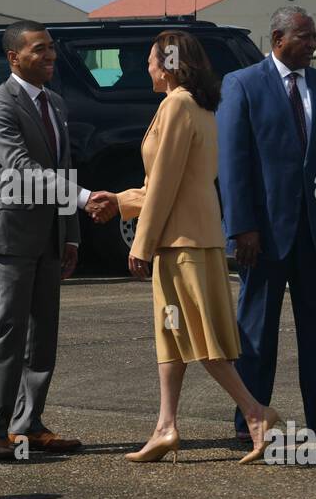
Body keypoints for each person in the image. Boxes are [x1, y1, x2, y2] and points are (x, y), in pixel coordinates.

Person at [89, 32, 281, 463]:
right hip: (189, 240)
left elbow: (165, 185)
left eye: (153, 60)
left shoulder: (177, 105)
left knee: (198, 336)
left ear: (170, 63)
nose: (148, 67)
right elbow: (165, 182)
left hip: (183, 246)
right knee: (172, 336)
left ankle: (255, 414)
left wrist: (141, 241)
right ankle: (166, 426)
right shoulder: (197, 105)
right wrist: (120, 201)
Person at [217, 6, 316, 442]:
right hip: (263, 237)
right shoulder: (243, 85)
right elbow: (233, 165)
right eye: (305, 37)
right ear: (278, 39)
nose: (313, 44)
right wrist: (241, 227)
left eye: (315, 36)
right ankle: (251, 422)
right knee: (256, 336)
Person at [0, 20, 113, 460]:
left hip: (51, 236)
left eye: (51, 48)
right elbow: (19, 168)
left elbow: (63, 163)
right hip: (11, 237)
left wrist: (71, 234)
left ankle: (29, 424)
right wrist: (87, 199)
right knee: (10, 331)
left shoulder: (54, 102)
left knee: (43, 336)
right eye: (40, 49)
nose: (50, 56)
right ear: (15, 57)